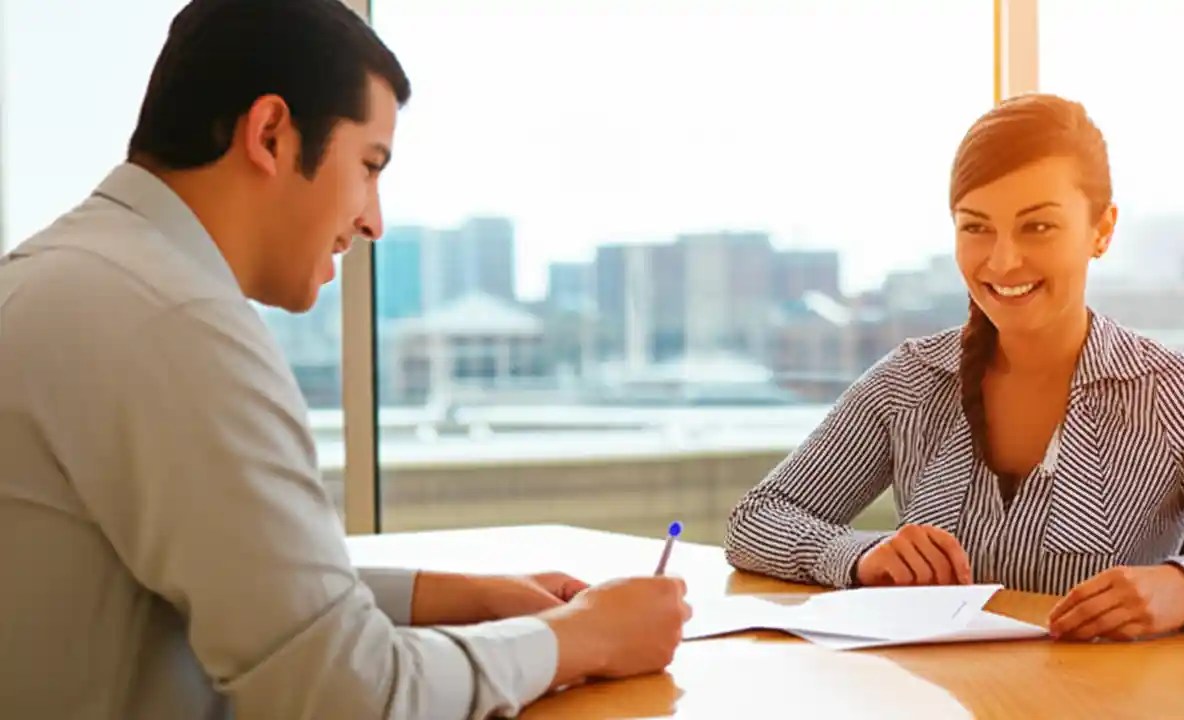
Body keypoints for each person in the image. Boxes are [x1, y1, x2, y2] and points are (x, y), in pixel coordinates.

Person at [0, 1, 689, 718]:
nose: (373, 220)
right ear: (270, 133)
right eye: (369, 166)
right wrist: (580, 639)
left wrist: (457, 596)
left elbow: (236, 583)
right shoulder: (175, 322)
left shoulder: (64, 277)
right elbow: (348, 695)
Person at [724, 92, 1184, 643]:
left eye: (1037, 227)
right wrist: (861, 554)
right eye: (976, 227)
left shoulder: (1179, 395)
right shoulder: (909, 382)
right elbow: (755, 521)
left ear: (1102, 230)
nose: (1002, 259)